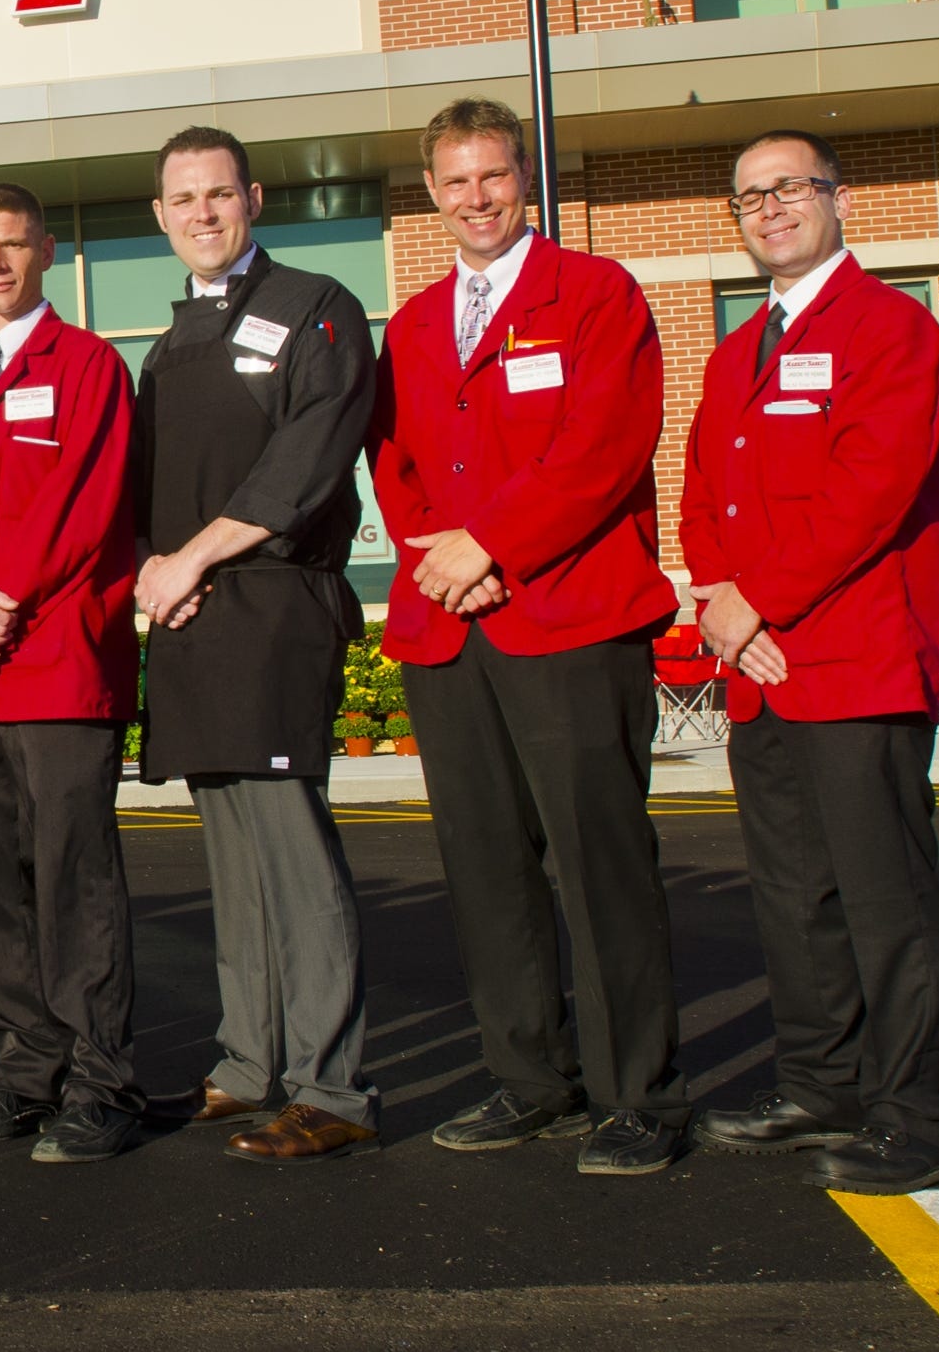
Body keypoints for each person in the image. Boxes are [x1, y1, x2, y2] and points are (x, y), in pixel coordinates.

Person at [369, 97, 690, 1175]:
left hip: (568, 618)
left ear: (523, 178)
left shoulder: (593, 295)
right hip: (450, 630)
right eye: (454, 181)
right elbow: (395, 461)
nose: (475, 198)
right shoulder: (413, 323)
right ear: (430, 192)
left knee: (598, 868)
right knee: (485, 868)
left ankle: (634, 1095)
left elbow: (603, 446)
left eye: (492, 176)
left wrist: (490, 546)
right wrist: (436, 554)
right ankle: (528, 1080)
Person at [680, 130, 939, 1193]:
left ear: (836, 197)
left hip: (855, 660)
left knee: (883, 897)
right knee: (793, 894)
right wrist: (719, 605)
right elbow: (702, 491)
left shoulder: (889, 328)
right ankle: (819, 1084)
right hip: (757, 666)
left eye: (788, 188)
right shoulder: (735, 350)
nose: (768, 209)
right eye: (748, 197)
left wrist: (758, 600)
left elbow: (869, 490)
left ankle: (918, 1117)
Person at [129, 127, 382, 1163]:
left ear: (253, 199)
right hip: (192, 624)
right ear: (160, 216)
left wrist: (185, 561)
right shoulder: (166, 342)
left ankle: (332, 1087)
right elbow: (149, 486)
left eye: (218, 195)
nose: (201, 213)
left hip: (273, 611)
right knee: (232, 858)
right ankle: (245, 1064)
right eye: (182, 199)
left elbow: (304, 463)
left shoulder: (313, 309)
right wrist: (158, 571)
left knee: (292, 854)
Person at [0, 183, 146, 1166]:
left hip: (55, 660)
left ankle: (100, 1081)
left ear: (45, 250)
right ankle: (18, 1071)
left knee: (68, 875)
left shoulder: (88, 366)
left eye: (13, 244)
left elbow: (86, 510)